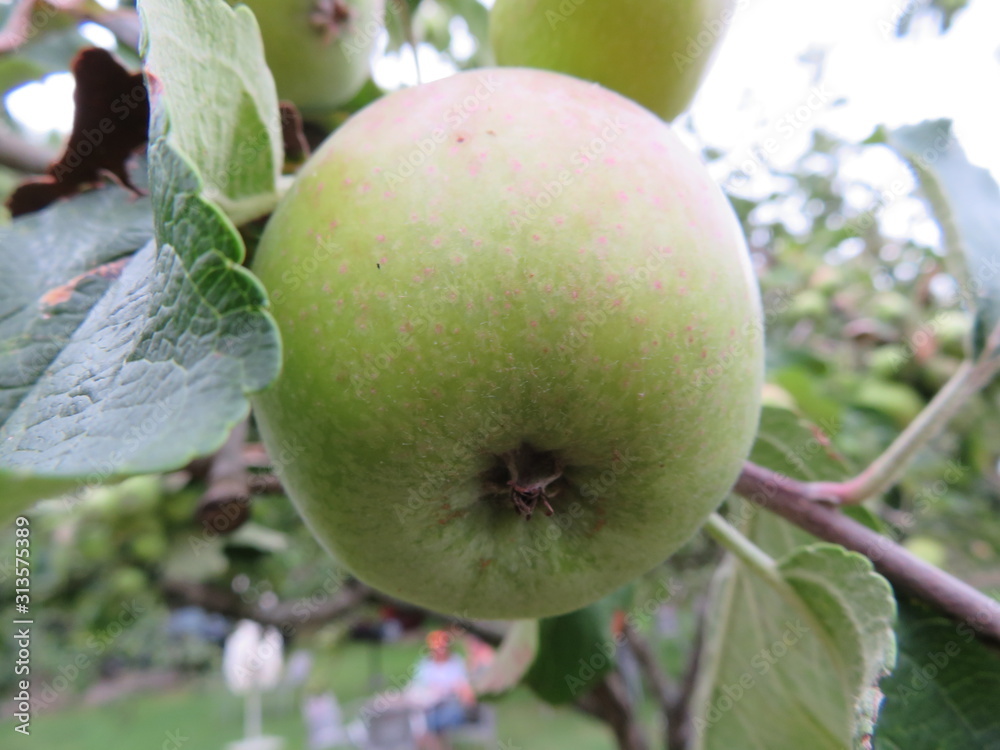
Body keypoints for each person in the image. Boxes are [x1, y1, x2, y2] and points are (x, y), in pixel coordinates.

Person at [405, 630, 477, 749]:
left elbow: (464, 689)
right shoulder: (425, 665)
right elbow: (417, 687)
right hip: (427, 706)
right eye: (437, 647)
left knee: (429, 724)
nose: (440, 650)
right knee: (420, 721)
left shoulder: (456, 663)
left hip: (451, 706)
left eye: (443, 647)